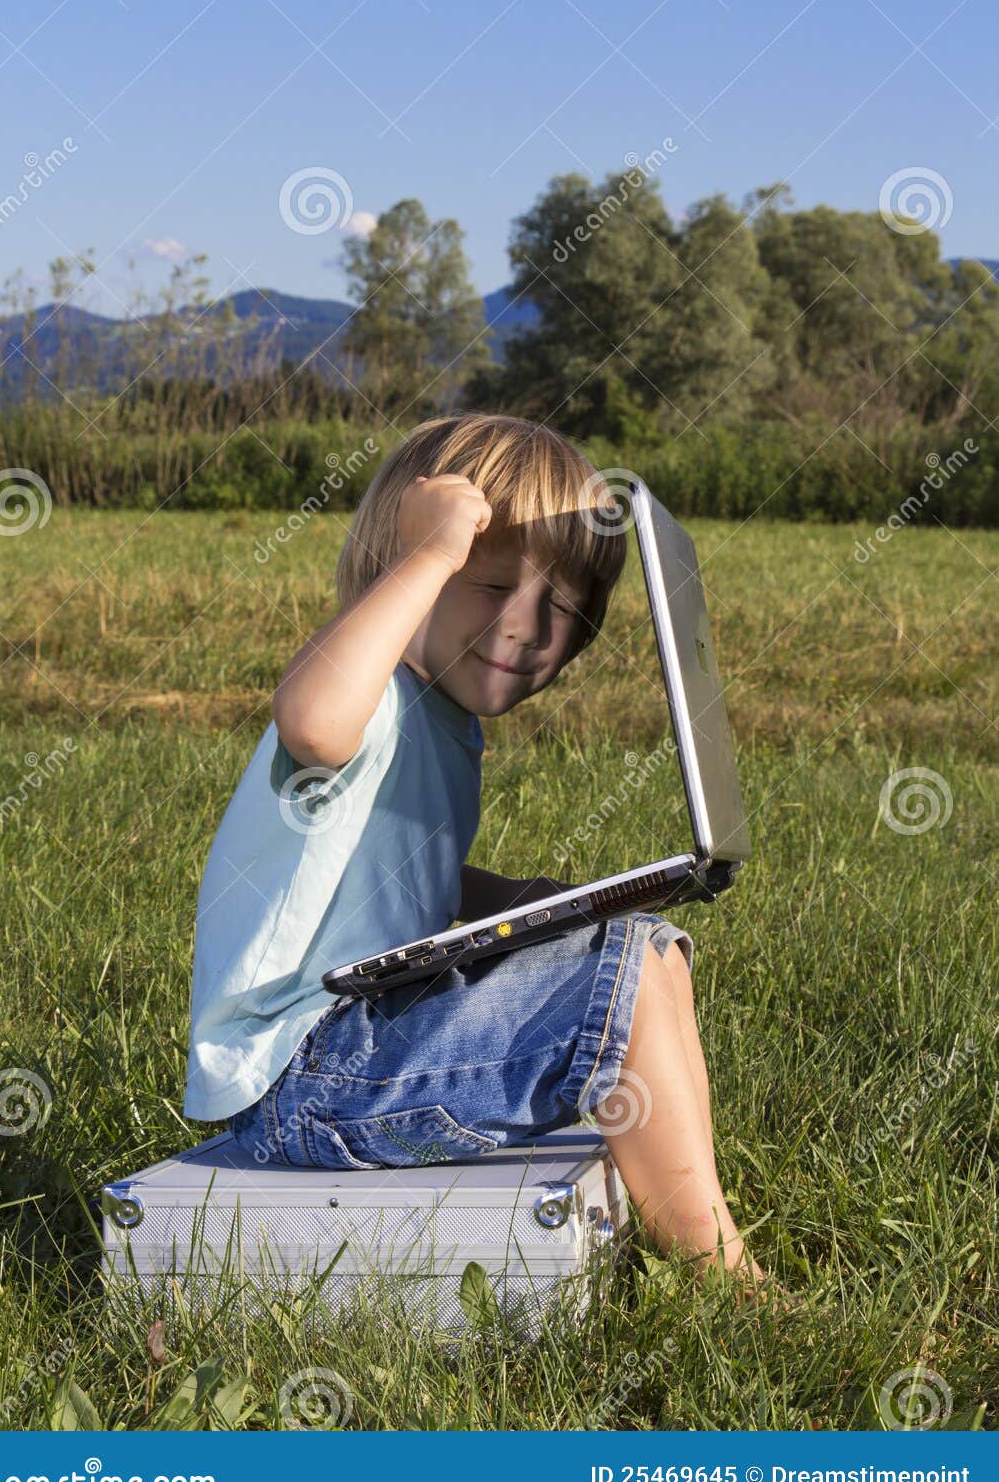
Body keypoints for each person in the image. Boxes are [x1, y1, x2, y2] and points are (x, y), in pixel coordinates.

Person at [183, 412, 770, 1295]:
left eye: (565, 608)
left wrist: (521, 900)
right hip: (299, 1083)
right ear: (407, 565)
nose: (528, 627)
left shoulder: (441, 728)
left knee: (647, 948)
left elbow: (389, 877)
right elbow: (310, 720)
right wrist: (427, 556)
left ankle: (685, 1199)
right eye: (489, 584)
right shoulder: (370, 696)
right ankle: (716, 1273)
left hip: (356, 1048)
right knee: (628, 974)